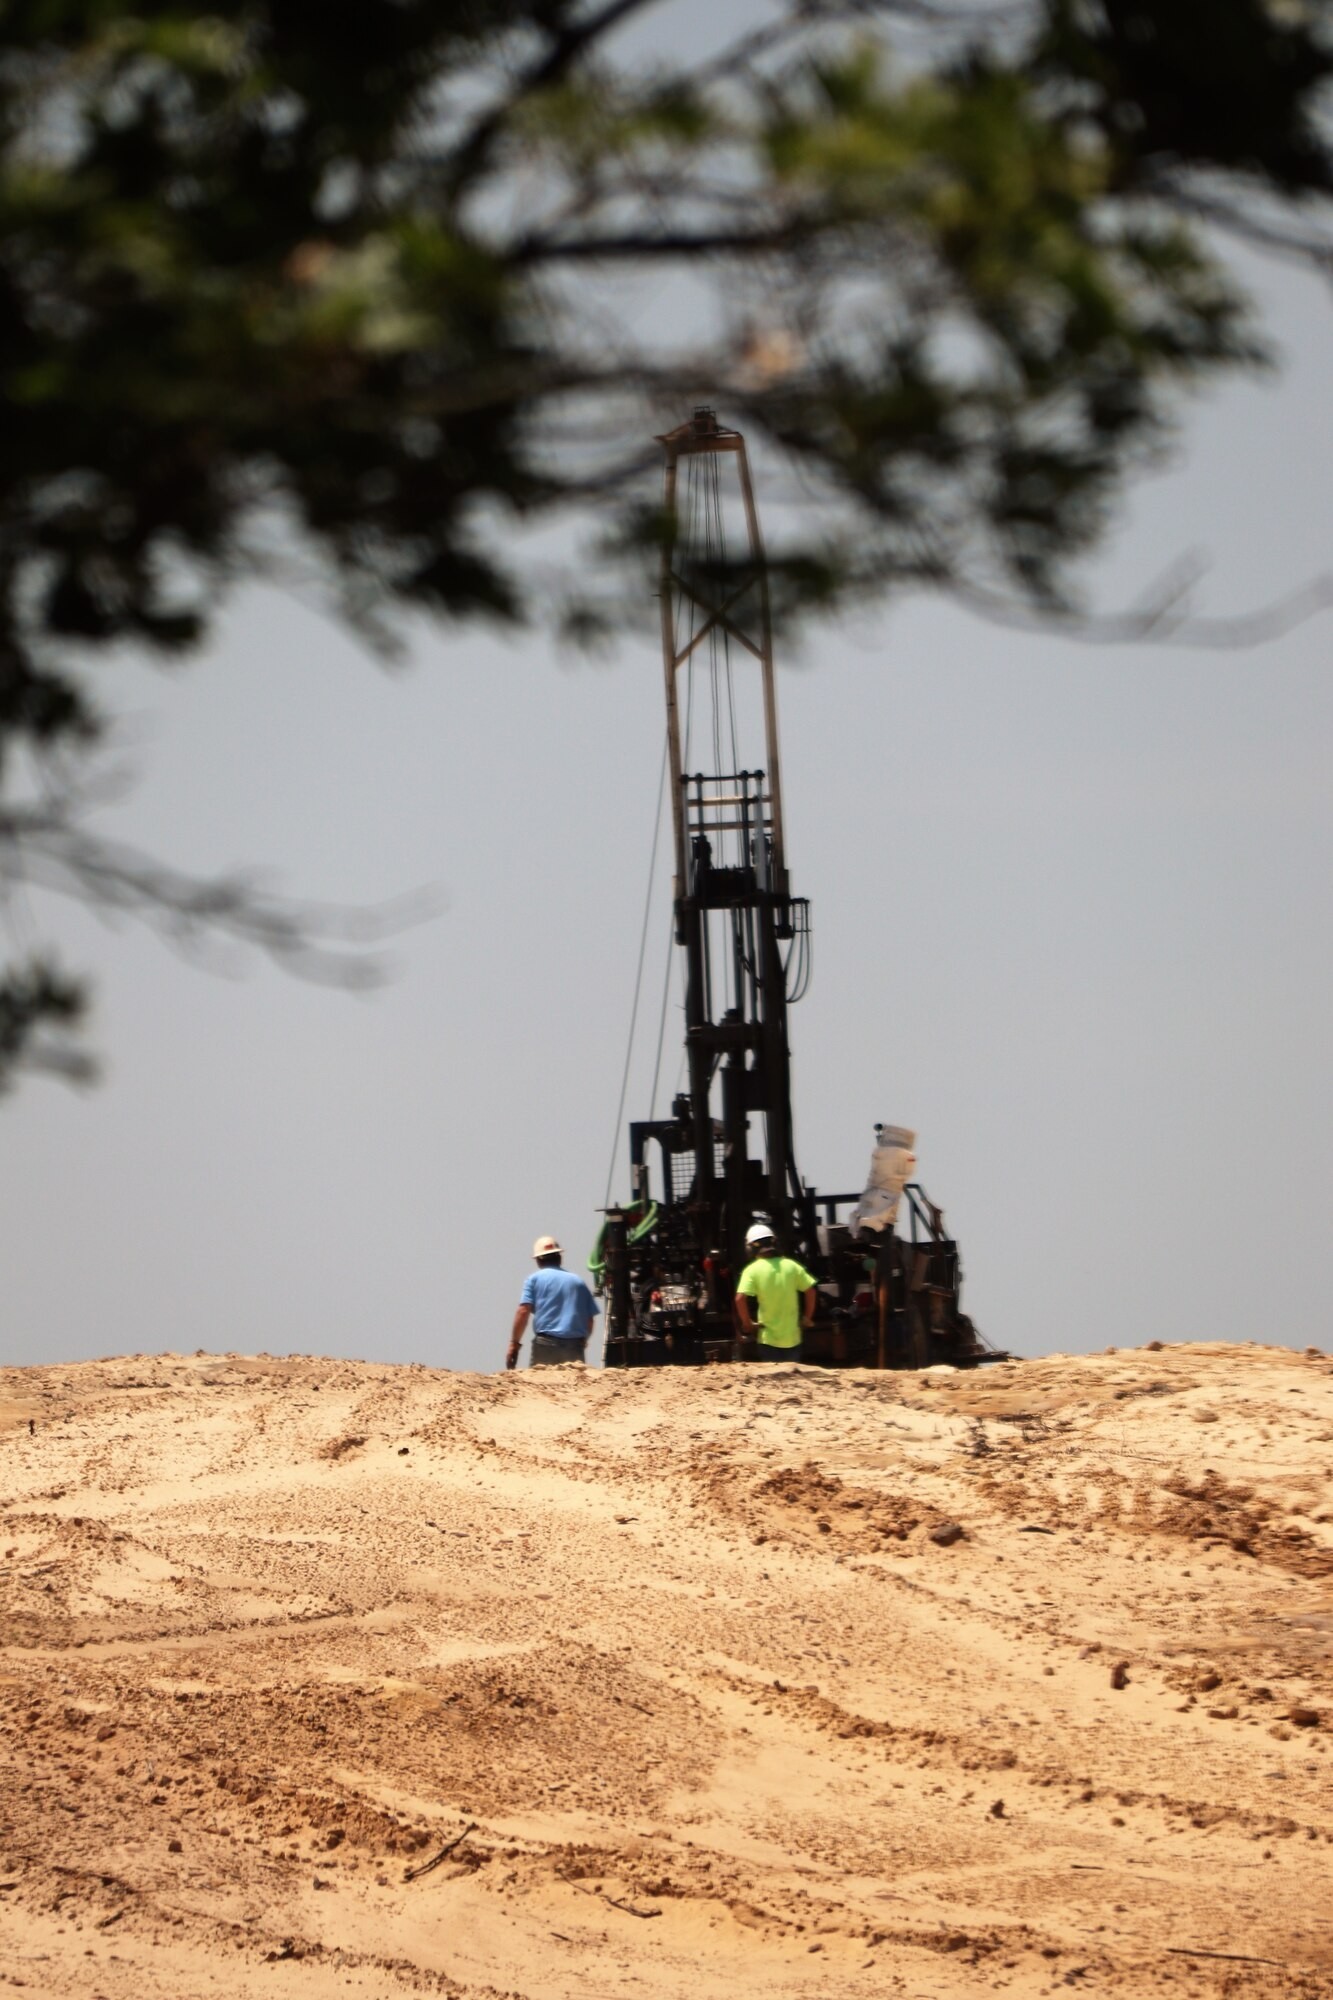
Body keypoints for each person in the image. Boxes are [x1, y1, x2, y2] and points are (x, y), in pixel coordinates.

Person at [507, 1235, 599, 1369]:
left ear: (538, 1260)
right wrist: (584, 1339)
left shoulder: (533, 1280)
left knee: (542, 1386)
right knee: (572, 1388)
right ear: (559, 1257)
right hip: (574, 1345)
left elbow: (523, 1311)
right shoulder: (578, 1282)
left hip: (545, 1345)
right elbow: (589, 1319)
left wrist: (514, 1344)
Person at [735, 1221, 817, 1361]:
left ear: (750, 1248)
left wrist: (747, 1323)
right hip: (793, 1339)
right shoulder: (792, 1266)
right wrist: (807, 1318)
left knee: (774, 1381)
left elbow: (740, 1299)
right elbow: (811, 1292)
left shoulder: (752, 1270)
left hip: (768, 1340)